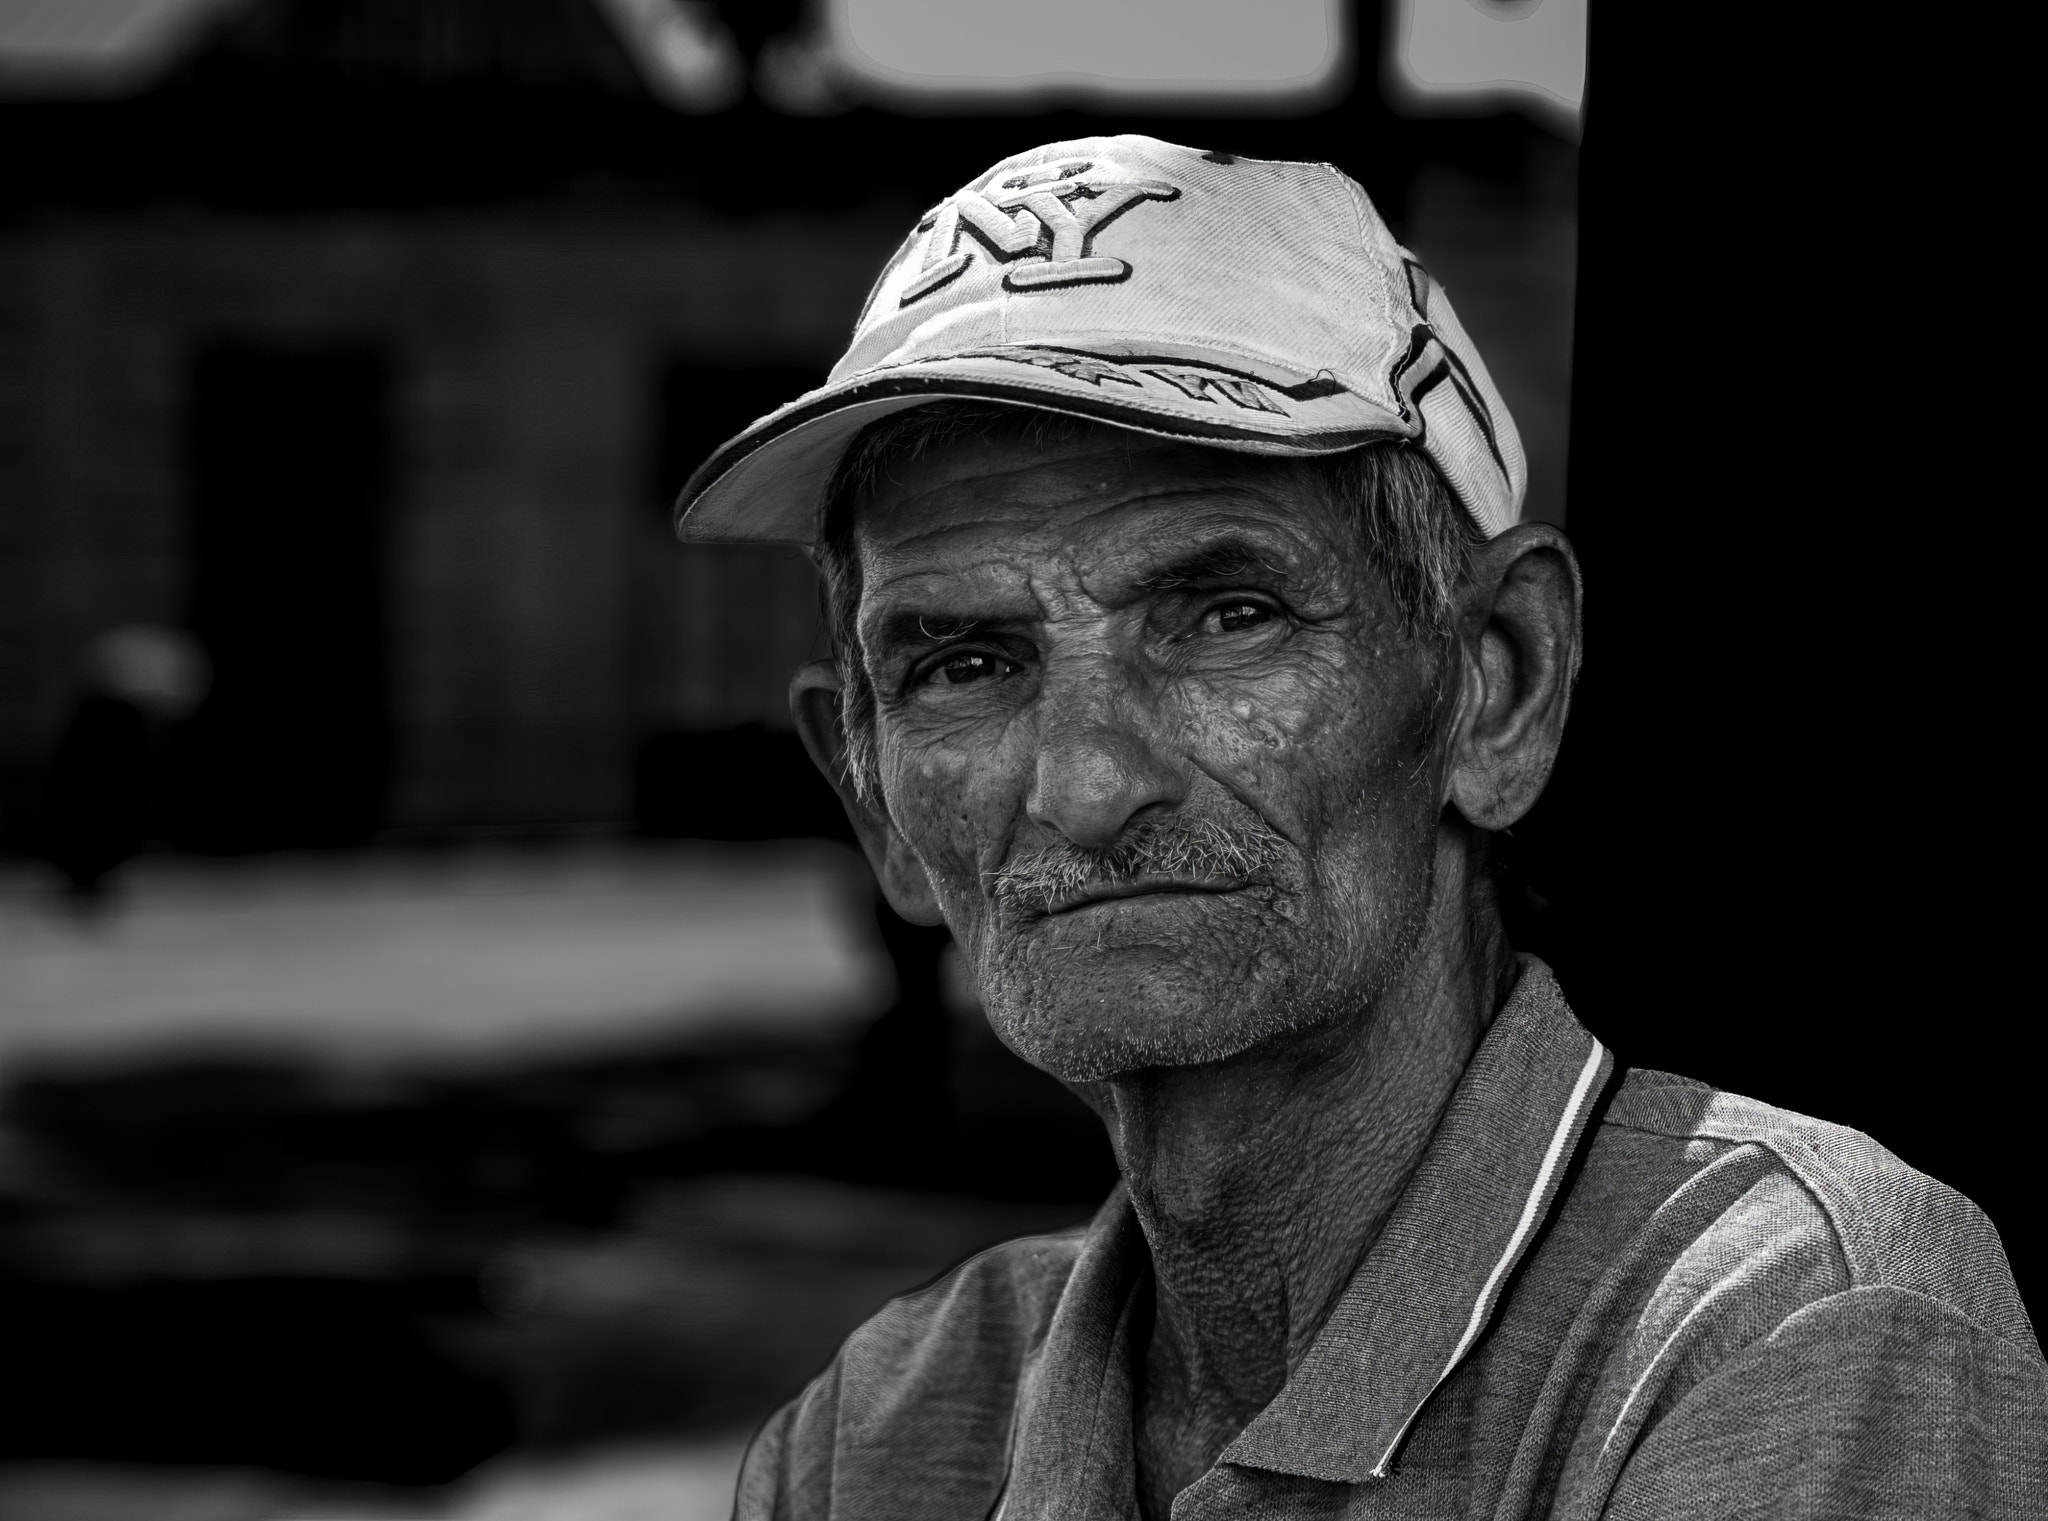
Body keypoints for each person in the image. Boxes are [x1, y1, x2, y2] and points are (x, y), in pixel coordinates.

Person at [671, 137, 2044, 1519]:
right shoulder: (886, 1428)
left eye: (1225, 615)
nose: (1083, 788)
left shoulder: (1780, 1317)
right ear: (877, 808)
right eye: (964, 662)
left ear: (1496, 681)